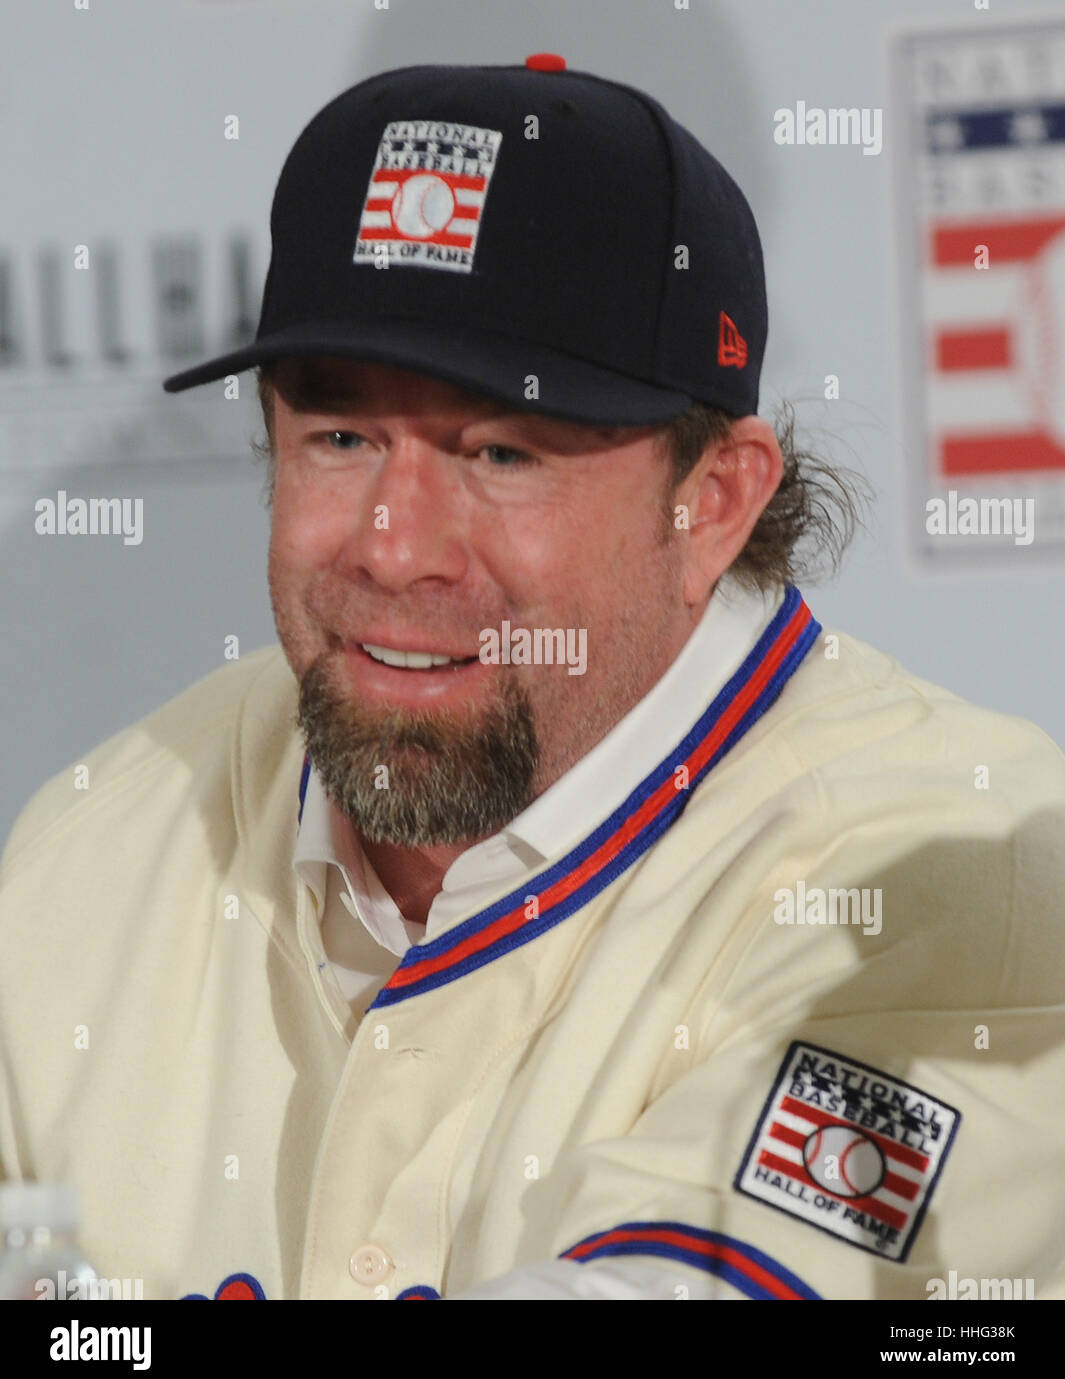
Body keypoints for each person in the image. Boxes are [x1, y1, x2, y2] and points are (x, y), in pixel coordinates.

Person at [1, 57, 1063, 1303]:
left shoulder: (960, 875)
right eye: (340, 436)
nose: (394, 546)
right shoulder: (97, 849)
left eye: (502, 450)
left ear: (713, 502)